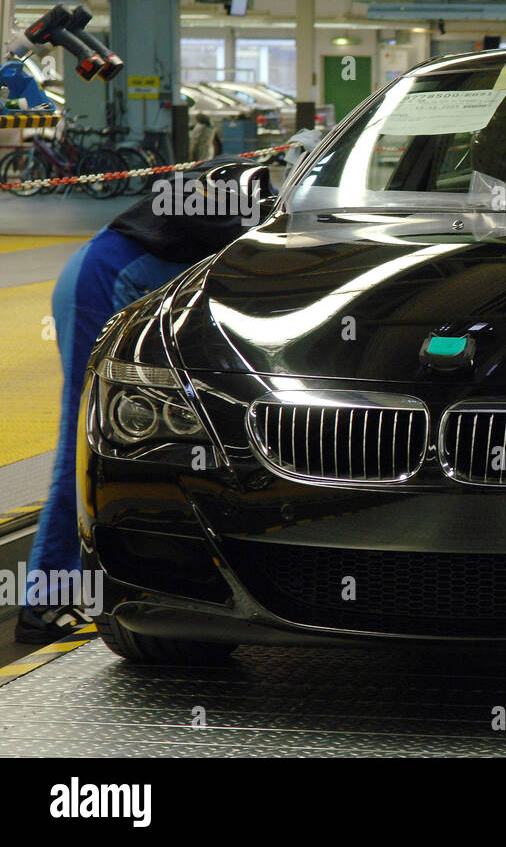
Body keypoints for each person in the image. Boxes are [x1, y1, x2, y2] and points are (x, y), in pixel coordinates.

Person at [14, 131, 322, 643]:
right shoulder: (250, 191)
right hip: (106, 281)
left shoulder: (266, 201)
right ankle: (43, 603)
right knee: (85, 442)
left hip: (113, 278)